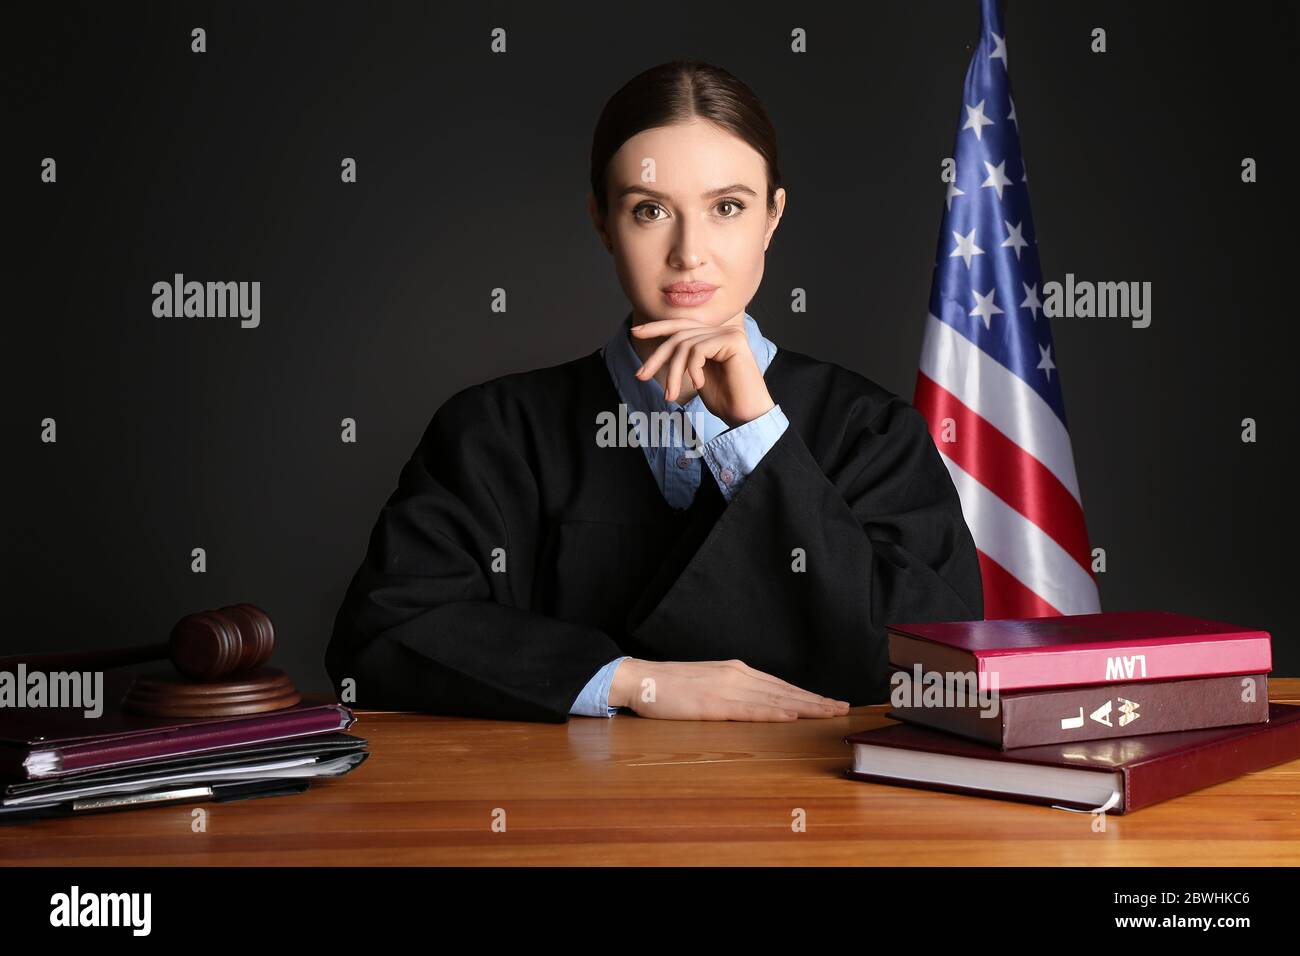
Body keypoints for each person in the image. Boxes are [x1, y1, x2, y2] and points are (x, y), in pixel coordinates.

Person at [325, 60, 983, 723]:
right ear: (602, 221)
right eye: (649, 210)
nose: (688, 251)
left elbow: (932, 667)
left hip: (818, 814)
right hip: (555, 816)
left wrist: (758, 436)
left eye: (727, 207)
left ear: (772, 218)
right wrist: (631, 681)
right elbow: (382, 639)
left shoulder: (869, 430)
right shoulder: (496, 431)